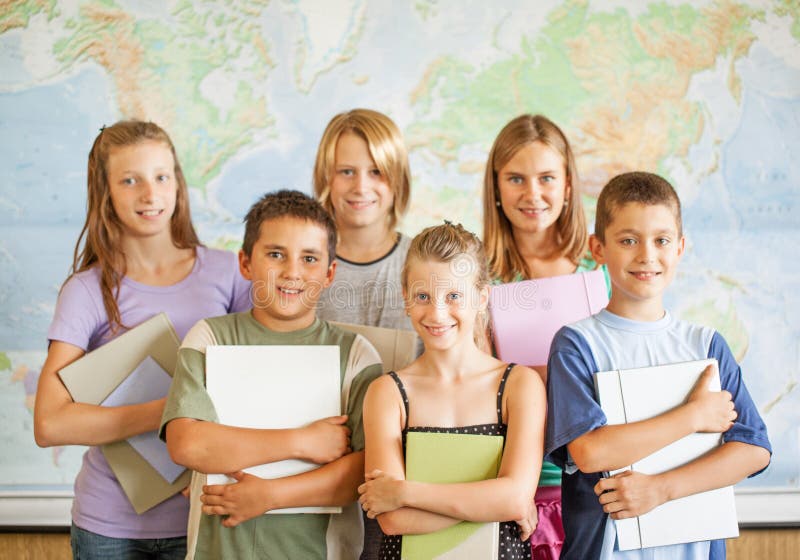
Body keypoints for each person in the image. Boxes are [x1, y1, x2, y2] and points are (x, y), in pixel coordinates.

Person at [33, 120, 251, 559]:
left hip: (203, 512)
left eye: (161, 177)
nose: (150, 195)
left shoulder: (229, 273)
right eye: (130, 181)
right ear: (105, 192)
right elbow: (50, 423)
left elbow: (257, 385)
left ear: (177, 183)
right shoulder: (88, 290)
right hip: (108, 525)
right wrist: (171, 413)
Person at [545, 171, 772, 559]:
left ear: (680, 247)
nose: (646, 255)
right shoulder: (577, 344)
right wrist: (694, 416)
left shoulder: (706, 345)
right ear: (598, 248)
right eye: (628, 240)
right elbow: (590, 453)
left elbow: (753, 450)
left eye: (661, 240)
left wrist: (661, 488)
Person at [161, 190, 384, 560]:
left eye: (309, 258)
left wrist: (269, 496)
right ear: (246, 263)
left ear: (329, 273)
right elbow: (187, 443)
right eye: (276, 254)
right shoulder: (211, 338)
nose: (292, 272)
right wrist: (301, 441)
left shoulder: (357, 354)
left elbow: (365, 470)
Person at [358, 222, 545, 560]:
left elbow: (515, 499)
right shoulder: (387, 393)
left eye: (454, 296)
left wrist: (404, 491)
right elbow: (394, 518)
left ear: (482, 297)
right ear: (406, 298)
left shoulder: (520, 385)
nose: (437, 312)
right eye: (423, 297)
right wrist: (493, 502)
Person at [482, 113, 606, 558]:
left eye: (547, 178)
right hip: (510, 484)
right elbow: (469, 381)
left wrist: (526, 375)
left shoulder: (600, 272)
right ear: (495, 186)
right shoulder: (480, 278)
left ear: (569, 184)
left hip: (594, 485)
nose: (532, 194)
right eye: (516, 178)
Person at [313, 108, 412, 331]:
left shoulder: (424, 263)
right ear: (326, 177)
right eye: (347, 172)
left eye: (376, 171)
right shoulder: (302, 267)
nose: (361, 187)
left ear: (399, 180)